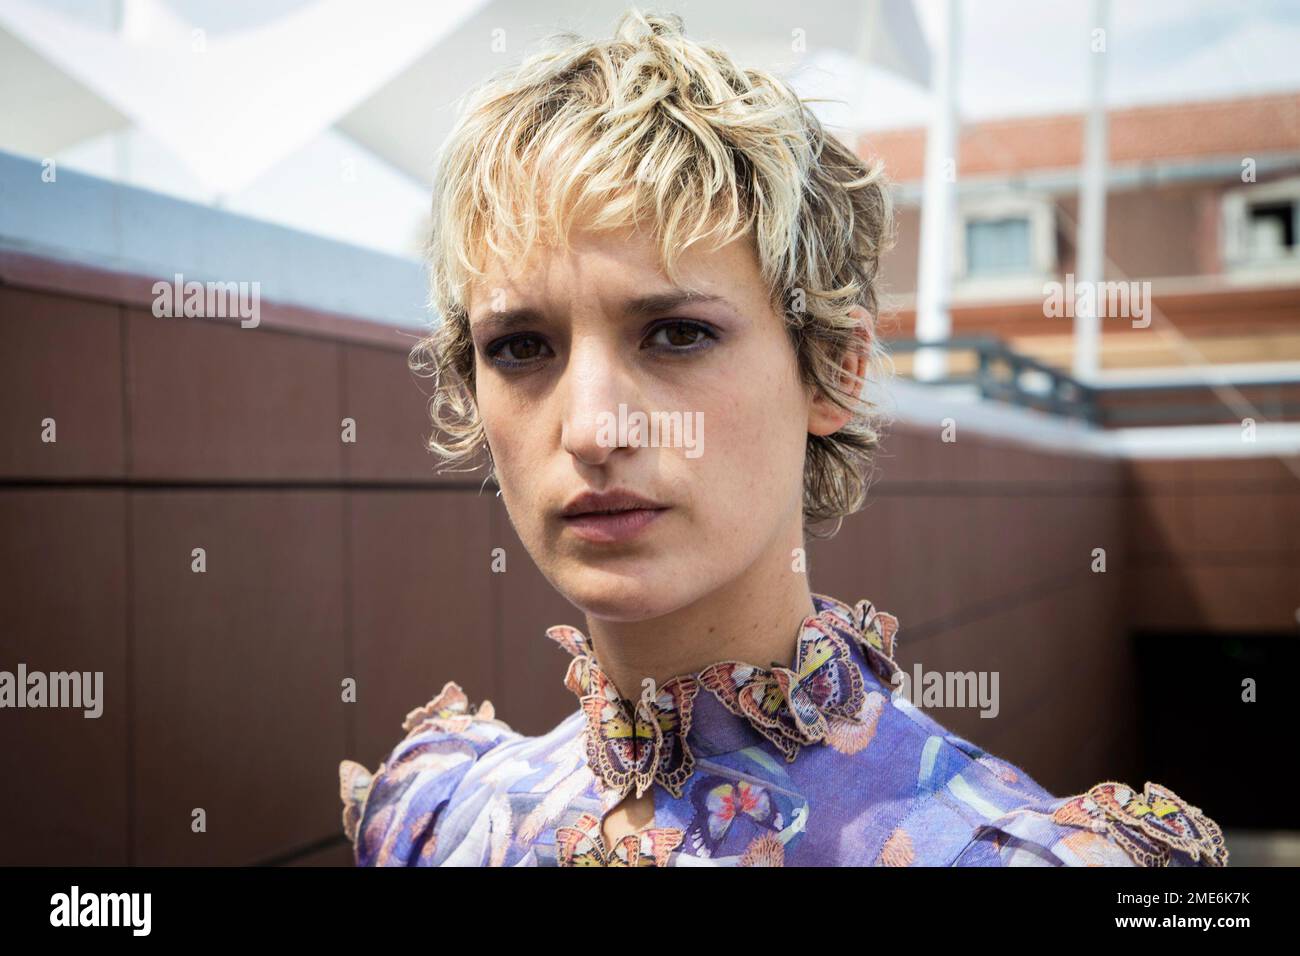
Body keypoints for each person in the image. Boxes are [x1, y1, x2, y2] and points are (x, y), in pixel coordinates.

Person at [337, 8, 1226, 867]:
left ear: (833, 366)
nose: (593, 428)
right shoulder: (442, 823)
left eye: (677, 333)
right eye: (521, 347)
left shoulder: (996, 851)